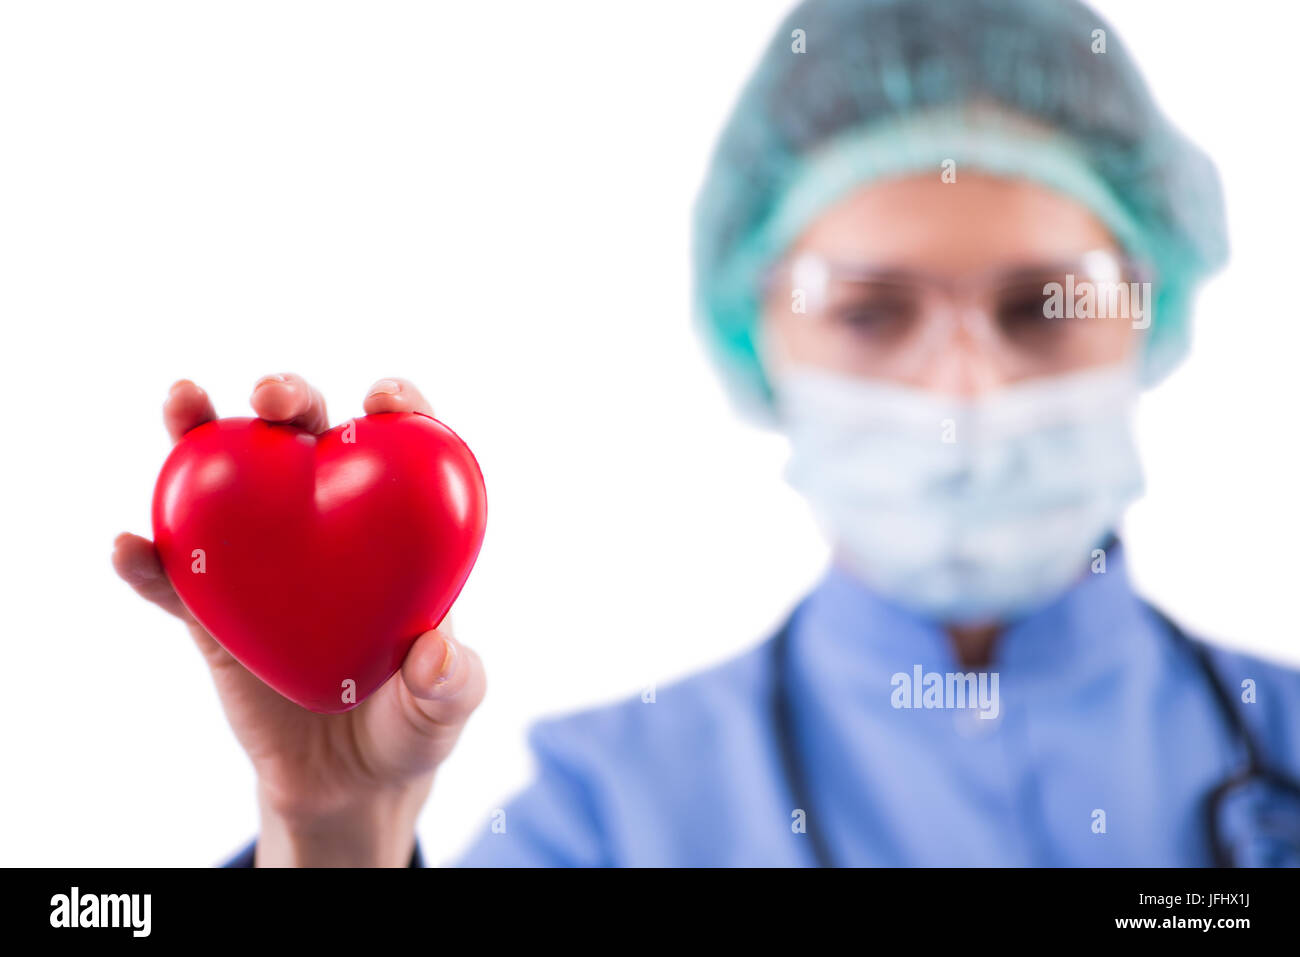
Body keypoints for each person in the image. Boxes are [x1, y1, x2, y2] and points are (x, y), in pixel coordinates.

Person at [113, 0, 1300, 866]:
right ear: (755, 340)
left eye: (1041, 306)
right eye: (871, 311)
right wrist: (331, 831)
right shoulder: (605, 812)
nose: (962, 389)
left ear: (1151, 315)